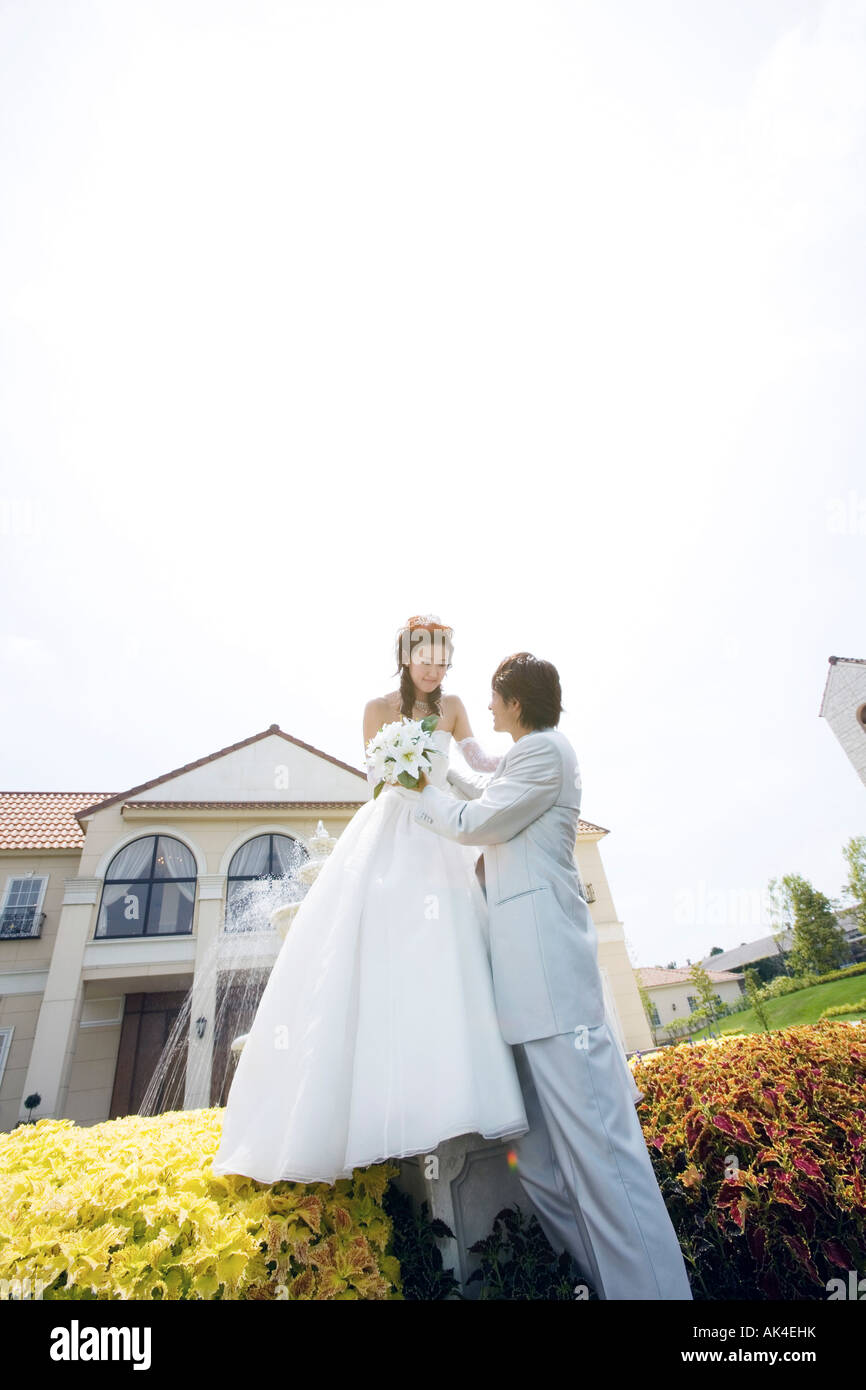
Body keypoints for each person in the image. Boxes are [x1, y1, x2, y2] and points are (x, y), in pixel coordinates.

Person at [408, 651, 693, 1300]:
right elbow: (486, 796)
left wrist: (417, 790)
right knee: (540, 1169)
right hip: (523, 1001)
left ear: (516, 702)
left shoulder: (544, 752)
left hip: (557, 997)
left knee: (606, 1168)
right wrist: (435, 769)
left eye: (494, 696)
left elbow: (477, 821)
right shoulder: (527, 761)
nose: (486, 706)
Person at [211, 615, 530, 1184]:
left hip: (441, 830)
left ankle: (462, 1090)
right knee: (383, 948)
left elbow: (477, 763)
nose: (435, 670)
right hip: (392, 829)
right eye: (426, 658)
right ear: (407, 656)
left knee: (452, 946)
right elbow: (376, 781)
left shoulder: (454, 707)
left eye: (444, 661)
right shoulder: (376, 710)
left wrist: (524, 756)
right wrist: (408, 780)